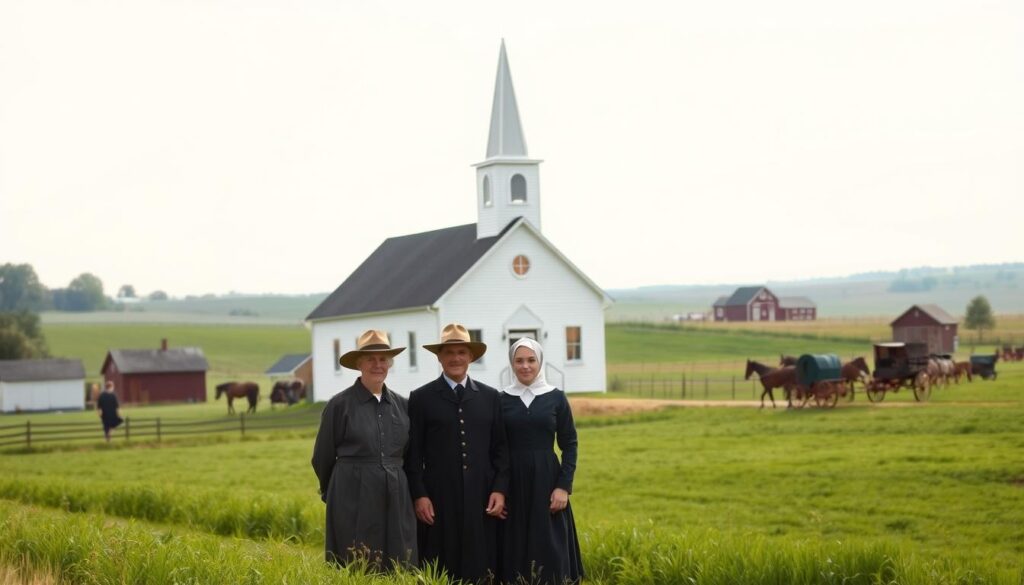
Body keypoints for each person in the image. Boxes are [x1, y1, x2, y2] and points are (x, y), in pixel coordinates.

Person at [405, 323, 510, 583]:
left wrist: (499, 489)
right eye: (449, 353)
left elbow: (501, 449)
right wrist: (419, 495)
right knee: (441, 563)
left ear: (471, 356)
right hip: (439, 495)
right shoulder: (421, 398)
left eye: (461, 352)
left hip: (482, 495)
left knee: (482, 564)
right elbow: (413, 455)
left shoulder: (491, 397)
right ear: (439, 357)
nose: (455, 358)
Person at [311, 330, 417, 570]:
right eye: (371, 359)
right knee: (356, 562)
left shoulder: (403, 406)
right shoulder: (339, 405)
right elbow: (322, 456)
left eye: (383, 359)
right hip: (351, 493)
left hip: (396, 494)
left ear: (389, 363)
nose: (378, 365)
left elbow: (410, 456)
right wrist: (335, 492)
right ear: (359, 364)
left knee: (398, 562)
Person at [500, 338, 583, 585]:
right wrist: (498, 489)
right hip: (513, 481)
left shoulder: (556, 398)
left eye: (531, 360)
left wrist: (563, 487)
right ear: (512, 364)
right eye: (519, 361)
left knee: (550, 545)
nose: (525, 366)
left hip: (547, 480)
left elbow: (570, 444)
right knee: (515, 544)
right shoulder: (501, 399)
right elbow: (496, 449)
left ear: (540, 362)